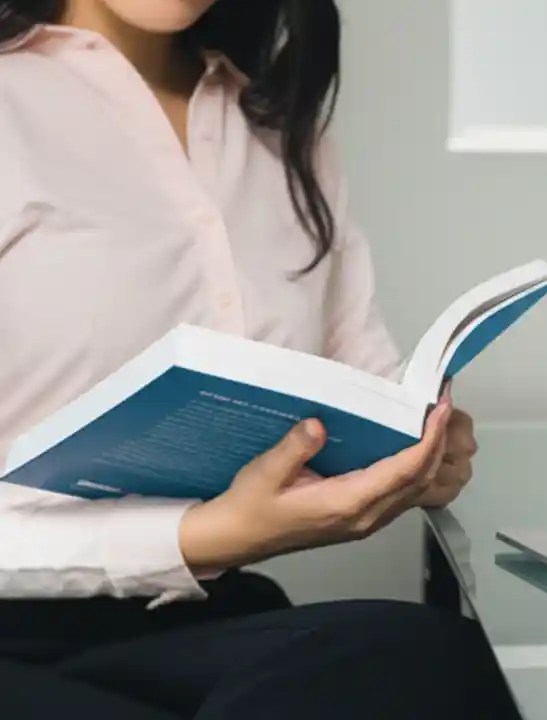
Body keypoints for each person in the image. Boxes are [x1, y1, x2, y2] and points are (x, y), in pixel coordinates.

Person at [0, 1, 517, 717]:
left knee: (431, 659)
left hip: (203, 624)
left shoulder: (278, 127)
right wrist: (201, 536)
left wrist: (417, 447)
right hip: (17, 633)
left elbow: (362, 373)